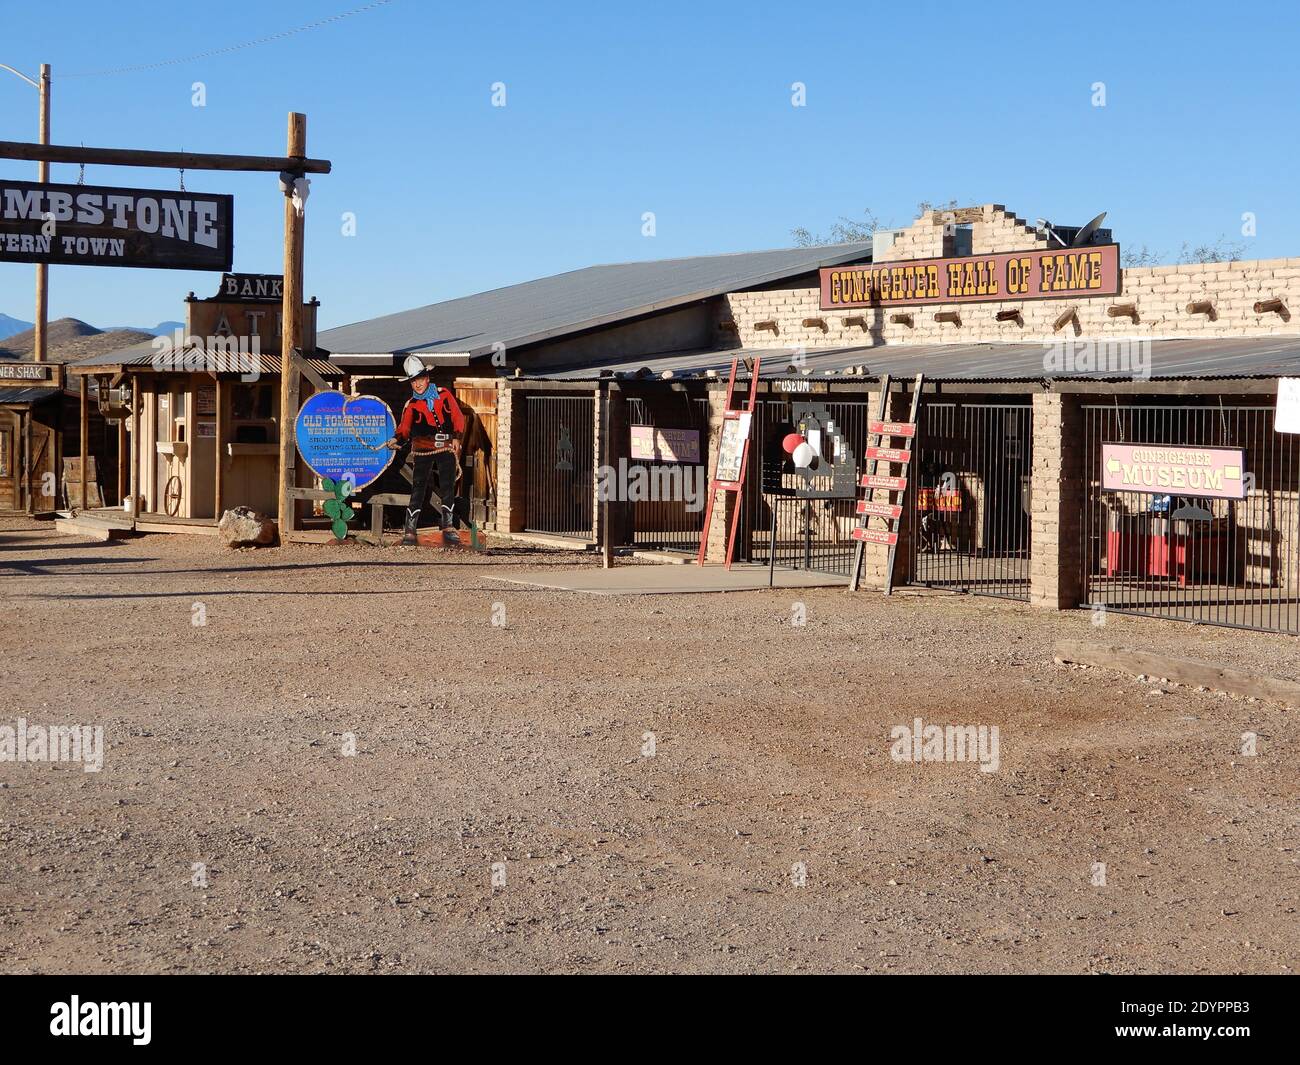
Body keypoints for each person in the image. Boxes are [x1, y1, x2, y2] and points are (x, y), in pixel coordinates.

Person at [385, 355, 466, 545]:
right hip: (422, 449)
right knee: (418, 488)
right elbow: (405, 428)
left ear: (427, 378)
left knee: (447, 486)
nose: (418, 384)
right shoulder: (411, 405)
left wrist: (456, 437)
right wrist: (396, 439)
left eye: (420, 379)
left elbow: (457, 416)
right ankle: (410, 530)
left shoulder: (444, 394)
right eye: (414, 381)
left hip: (445, 446)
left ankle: (447, 526)